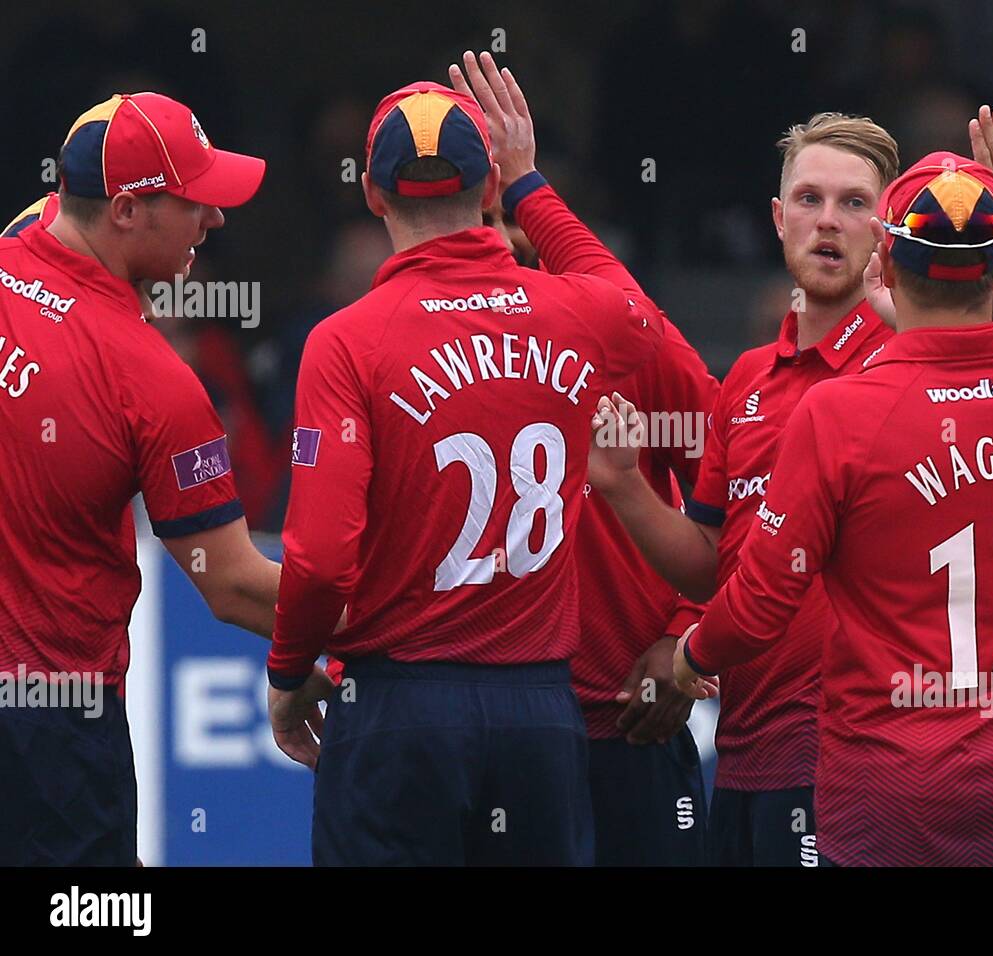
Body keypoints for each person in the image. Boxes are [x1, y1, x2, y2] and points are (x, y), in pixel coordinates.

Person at [670, 107, 993, 866]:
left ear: (883, 266)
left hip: (882, 788)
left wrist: (694, 652)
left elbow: (761, 601)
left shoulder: (843, 410)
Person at [265, 72, 664, 866]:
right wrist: (535, 192)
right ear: (488, 190)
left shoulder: (345, 342)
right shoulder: (577, 310)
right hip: (541, 711)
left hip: (397, 706)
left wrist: (288, 671)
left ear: (375, 197)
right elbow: (642, 318)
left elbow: (317, 558)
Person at [0, 93, 327, 867]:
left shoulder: (17, 239)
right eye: (196, 201)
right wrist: (401, 618)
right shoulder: (154, 380)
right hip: (54, 728)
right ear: (124, 209)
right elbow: (234, 585)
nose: (214, 222)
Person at [589, 111, 900, 866]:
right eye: (809, 199)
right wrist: (625, 485)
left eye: (855, 203)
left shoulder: (911, 368)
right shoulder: (746, 384)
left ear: (889, 230)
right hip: (746, 755)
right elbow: (711, 562)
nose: (829, 221)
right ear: (777, 217)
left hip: (858, 760)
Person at [447, 53, 721, 866]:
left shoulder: (624, 340)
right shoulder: (401, 356)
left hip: (624, 724)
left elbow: (736, 488)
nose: (491, 249)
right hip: (482, 728)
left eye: (506, 225)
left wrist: (687, 632)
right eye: (473, 223)